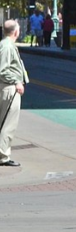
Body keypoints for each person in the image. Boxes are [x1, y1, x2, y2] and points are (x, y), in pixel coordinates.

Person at [1, 19, 30, 167]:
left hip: (7, 87)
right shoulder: (7, 46)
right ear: (16, 32)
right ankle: (3, 156)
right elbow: (2, 69)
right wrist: (16, 82)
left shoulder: (6, 45)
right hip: (9, 88)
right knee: (8, 123)